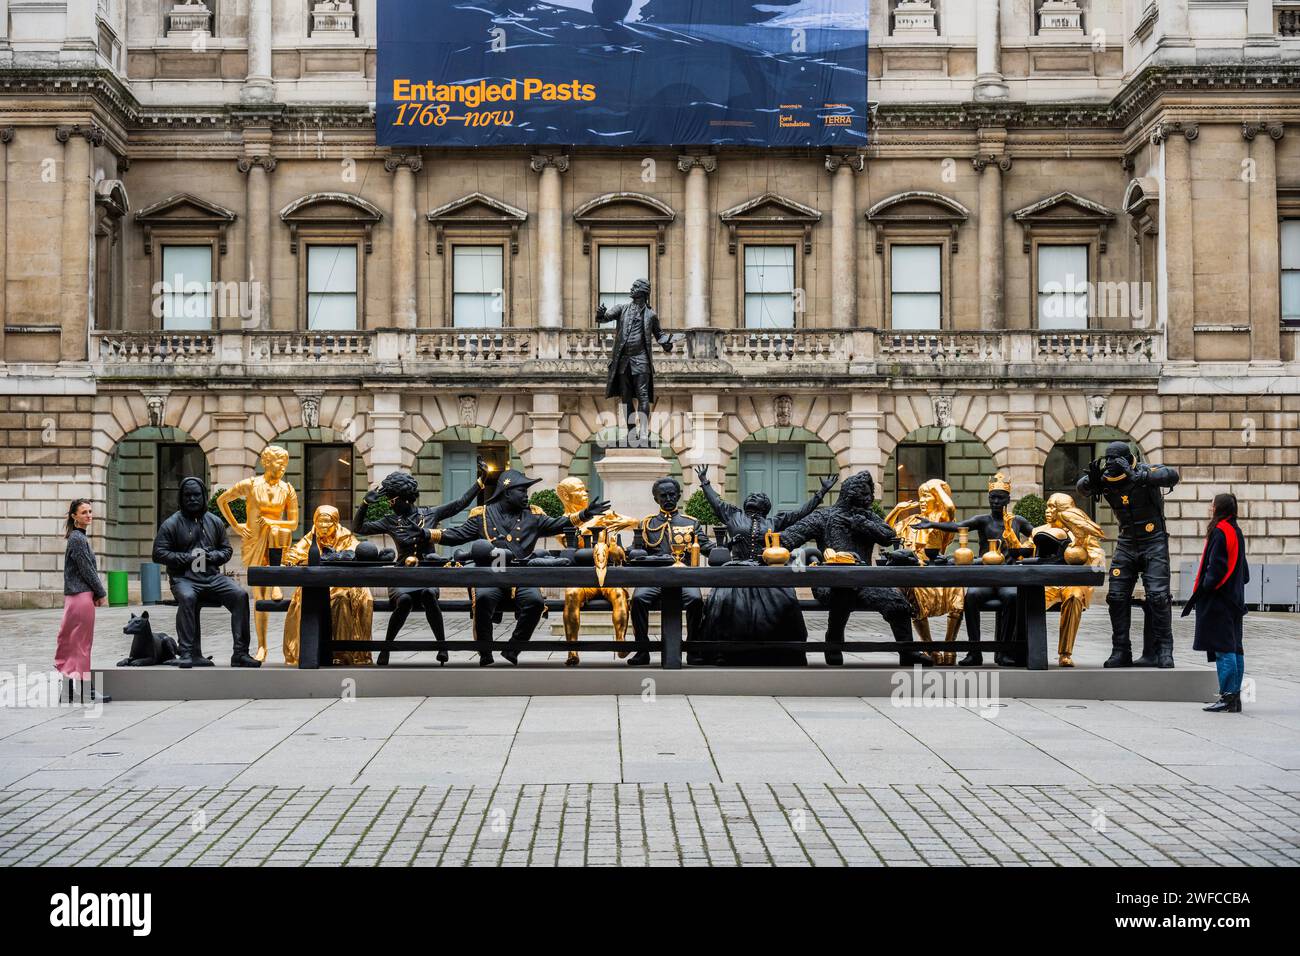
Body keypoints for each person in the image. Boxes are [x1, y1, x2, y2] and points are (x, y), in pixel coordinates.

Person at [432, 468, 610, 665]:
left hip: (522, 577)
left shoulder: (533, 515)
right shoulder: (482, 515)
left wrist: (585, 514)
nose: (526, 495)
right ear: (507, 492)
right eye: (522, 491)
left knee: (535, 603)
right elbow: (456, 535)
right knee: (483, 599)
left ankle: (513, 648)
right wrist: (426, 534)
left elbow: (559, 523)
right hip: (493, 575)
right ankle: (485, 652)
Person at [779, 470, 933, 667]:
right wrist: (799, 560)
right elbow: (789, 538)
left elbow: (889, 536)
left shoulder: (866, 516)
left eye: (870, 494)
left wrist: (864, 525)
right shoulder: (824, 517)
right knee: (842, 592)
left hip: (865, 581)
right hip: (829, 582)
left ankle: (908, 652)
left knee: (898, 605)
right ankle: (834, 640)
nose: (869, 499)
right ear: (851, 495)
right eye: (865, 494)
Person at [695, 464, 834, 665]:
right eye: (750, 495)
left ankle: (781, 651)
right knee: (722, 599)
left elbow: (800, 513)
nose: (752, 497)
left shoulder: (773, 522)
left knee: (785, 599)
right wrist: (705, 482)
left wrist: (821, 492)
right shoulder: (733, 515)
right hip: (737, 568)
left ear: (765, 505)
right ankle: (721, 650)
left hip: (764, 570)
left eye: (758, 496)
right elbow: (716, 501)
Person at [353, 464, 485, 665]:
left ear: (405, 497)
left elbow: (459, 504)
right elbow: (359, 528)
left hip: (427, 573)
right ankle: (386, 647)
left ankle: (442, 646)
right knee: (404, 600)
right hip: (402, 575)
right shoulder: (391, 521)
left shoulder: (430, 514)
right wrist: (364, 504)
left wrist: (481, 481)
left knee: (428, 594)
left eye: (392, 499)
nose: (390, 503)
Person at [1076, 439, 1180, 668]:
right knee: (1116, 596)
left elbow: (1171, 476)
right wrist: (1091, 484)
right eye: (1109, 458)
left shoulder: (1145, 471)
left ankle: (1164, 650)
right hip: (1127, 542)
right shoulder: (1105, 479)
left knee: (1158, 596)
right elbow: (1081, 486)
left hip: (1154, 541)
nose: (1112, 462)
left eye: (1117, 458)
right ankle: (1121, 650)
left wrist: (1138, 476)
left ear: (1128, 458)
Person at [915, 473, 1035, 666]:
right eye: (992, 498)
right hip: (985, 577)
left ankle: (1003, 652)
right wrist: (932, 524)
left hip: (1008, 577)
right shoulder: (983, 520)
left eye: (1000, 498)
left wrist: (1029, 546)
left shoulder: (1017, 521)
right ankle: (975, 652)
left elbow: (1037, 535)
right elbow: (957, 526)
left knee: (1012, 597)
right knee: (970, 597)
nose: (996, 501)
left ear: (1008, 499)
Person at [152, 476, 261, 668]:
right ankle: (187, 652)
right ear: (181, 498)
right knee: (188, 597)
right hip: (184, 578)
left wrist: (212, 556)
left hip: (212, 577)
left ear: (203, 496)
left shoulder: (215, 521)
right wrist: (186, 558)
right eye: (187, 496)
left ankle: (240, 653)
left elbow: (226, 550)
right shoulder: (171, 523)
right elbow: (158, 554)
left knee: (240, 595)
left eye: (196, 495)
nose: (192, 499)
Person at [216, 445, 299, 662]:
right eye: (278, 464)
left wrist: (272, 522)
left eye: (285, 465)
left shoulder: (287, 489)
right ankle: (262, 646)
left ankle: (276, 581)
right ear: (267, 462)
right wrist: (235, 526)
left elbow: (293, 523)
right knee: (259, 597)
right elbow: (222, 500)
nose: (282, 468)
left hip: (278, 542)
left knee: (277, 529)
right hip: (254, 541)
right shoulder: (251, 485)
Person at [555, 477, 638, 666]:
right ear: (567, 496)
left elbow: (633, 521)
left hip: (608, 576)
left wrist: (611, 523)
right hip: (582, 578)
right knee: (571, 594)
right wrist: (592, 521)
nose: (586, 494)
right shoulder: (561, 524)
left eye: (585, 489)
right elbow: (567, 541)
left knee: (619, 593)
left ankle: (620, 641)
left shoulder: (604, 515)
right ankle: (572, 650)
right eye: (580, 490)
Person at [1182, 493, 1249, 713]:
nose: (1210, 508)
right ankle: (1235, 698)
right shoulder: (1235, 531)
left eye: (1212, 505)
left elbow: (1216, 569)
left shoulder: (1220, 531)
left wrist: (1204, 590)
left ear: (1218, 507)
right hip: (1234, 600)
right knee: (1235, 648)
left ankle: (1227, 697)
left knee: (1224, 649)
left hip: (1220, 600)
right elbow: (1245, 573)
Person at [282, 506, 373, 666]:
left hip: (344, 584)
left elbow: (353, 556)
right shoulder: (311, 536)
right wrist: (292, 559)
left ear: (336, 523)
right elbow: (293, 553)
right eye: (319, 523)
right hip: (317, 584)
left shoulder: (346, 537)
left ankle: (342, 653)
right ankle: (309, 651)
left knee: (341, 600)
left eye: (327, 523)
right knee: (305, 600)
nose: (323, 527)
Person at [628, 476, 703, 666]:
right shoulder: (647, 524)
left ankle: (693, 650)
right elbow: (636, 552)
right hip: (654, 578)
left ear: (678, 495)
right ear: (656, 499)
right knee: (637, 600)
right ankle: (642, 650)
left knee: (696, 601)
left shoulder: (691, 523)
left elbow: (706, 546)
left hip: (684, 578)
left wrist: (725, 547)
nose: (668, 498)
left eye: (671, 494)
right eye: (663, 496)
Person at [595, 278, 679, 435]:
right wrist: (600, 313)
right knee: (626, 398)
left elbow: (659, 335)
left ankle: (644, 432)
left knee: (643, 395)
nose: (631, 289)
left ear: (643, 291)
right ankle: (632, 432)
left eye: (635, 287)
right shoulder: (622, 309)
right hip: (623, 361)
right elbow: (605, 318)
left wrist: (667, 344)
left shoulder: (651, 315)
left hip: (641, 360)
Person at [55, 499, 108, 703]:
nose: (89, 515)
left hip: (75, 597)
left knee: (71, 643)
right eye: (84, 512)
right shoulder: (78, 539)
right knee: (82, 645)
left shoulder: (77, 538)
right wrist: (101, 593)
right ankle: (87, 691)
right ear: (74, 516)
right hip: (80, 598)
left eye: (90, 511)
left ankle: (68, 691)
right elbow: (87, 569)